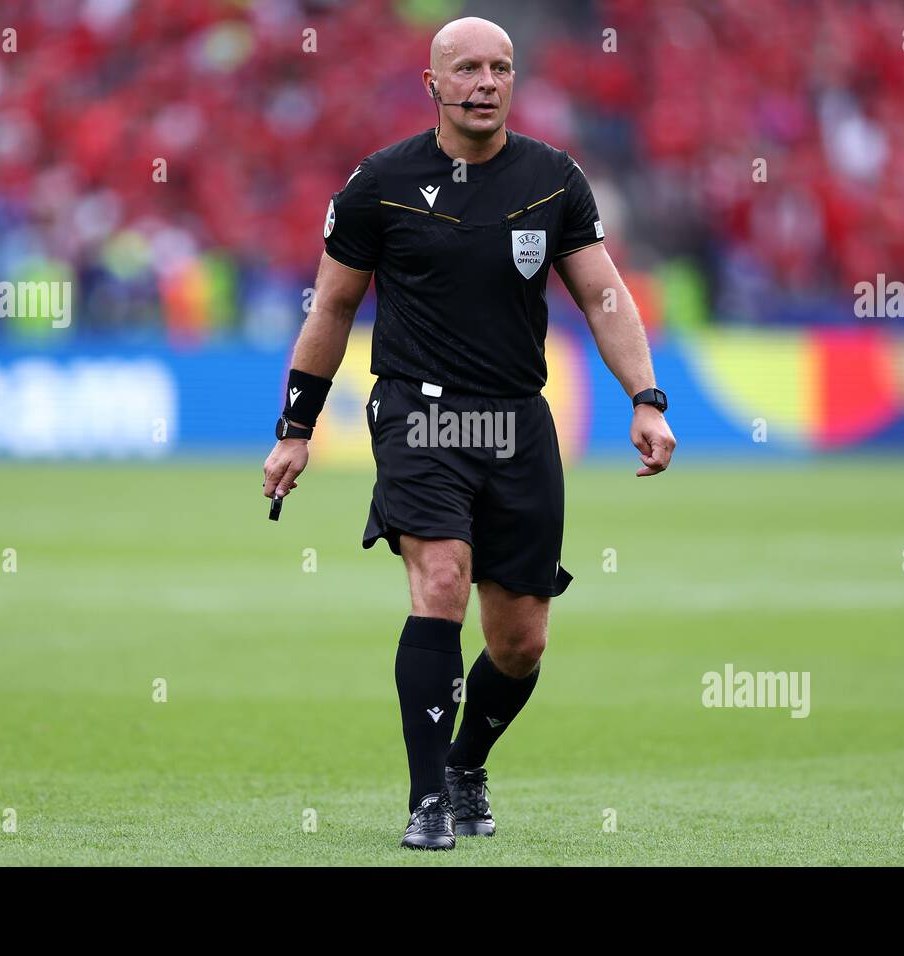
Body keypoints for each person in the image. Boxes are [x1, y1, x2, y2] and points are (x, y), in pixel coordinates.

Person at [262, 16, 674, 850]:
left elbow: (603, 295)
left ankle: (466, 762)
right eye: (469, 69)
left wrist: (646, 396)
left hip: (519, 420)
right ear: (434, 85)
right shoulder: (379, 184)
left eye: (501, 68)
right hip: (419, 413)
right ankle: (426, 803)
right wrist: (296, 427)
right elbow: (334, 305)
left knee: (520, 641)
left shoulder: (554, 179)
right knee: (440, 582)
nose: (487, 82)